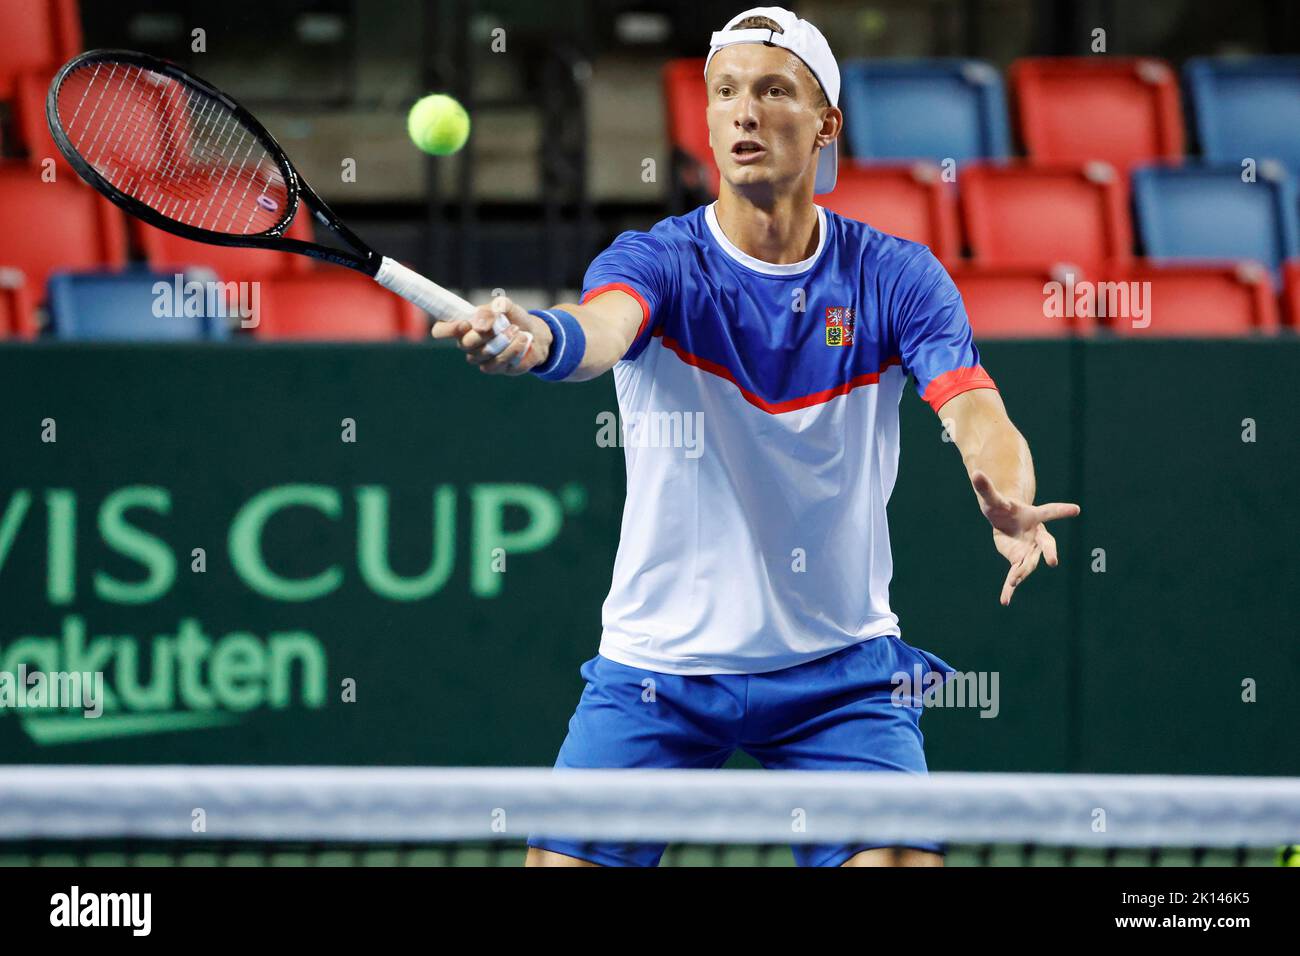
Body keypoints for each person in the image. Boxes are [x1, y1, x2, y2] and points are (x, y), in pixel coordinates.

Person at [432, 5, 1080, 867]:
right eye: (726, 91)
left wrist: (1007, 493)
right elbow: (597, 332)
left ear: (825, 125)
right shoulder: (656, 261)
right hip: (659, 672)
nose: (744, 111)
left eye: (774, 90)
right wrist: (536, 341)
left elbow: (975, 410)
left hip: (840, 673)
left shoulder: (895, 277)